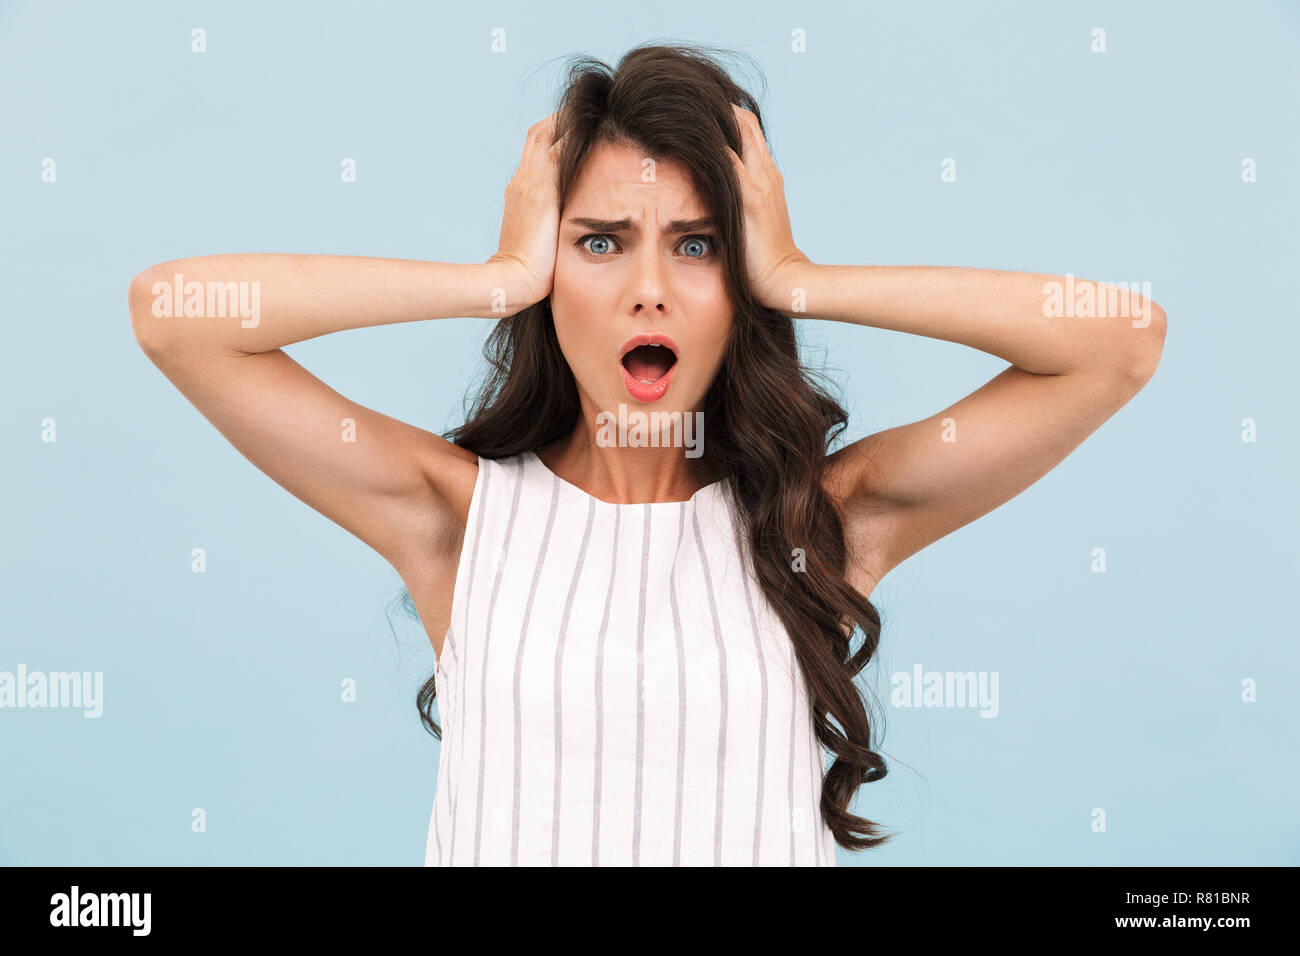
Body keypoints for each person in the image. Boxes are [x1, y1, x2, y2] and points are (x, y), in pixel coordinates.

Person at [127, 43, 1166, 866]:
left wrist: (802, 276)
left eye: (698, 243)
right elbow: (175, 313)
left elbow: (1118, 342)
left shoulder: (823, 521)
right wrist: (491, 277)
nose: (648, 288)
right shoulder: (450, 516)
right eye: (600, 241)